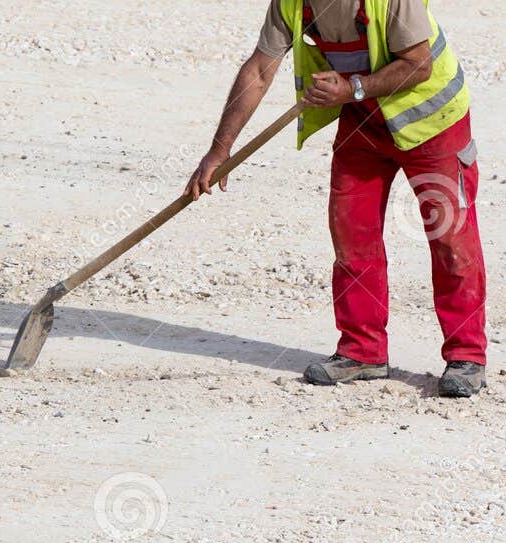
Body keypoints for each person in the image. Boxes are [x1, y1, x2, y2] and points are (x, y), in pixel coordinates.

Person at [187, 0, 488, 398]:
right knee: (351, 234)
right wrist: (219, 149)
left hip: (433, 122)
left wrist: (352, 88)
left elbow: (419, 64)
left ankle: (467, 356)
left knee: (449, 237)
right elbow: (260, 69)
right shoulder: (291, 4)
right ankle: (362, 353)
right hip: (363, 121)